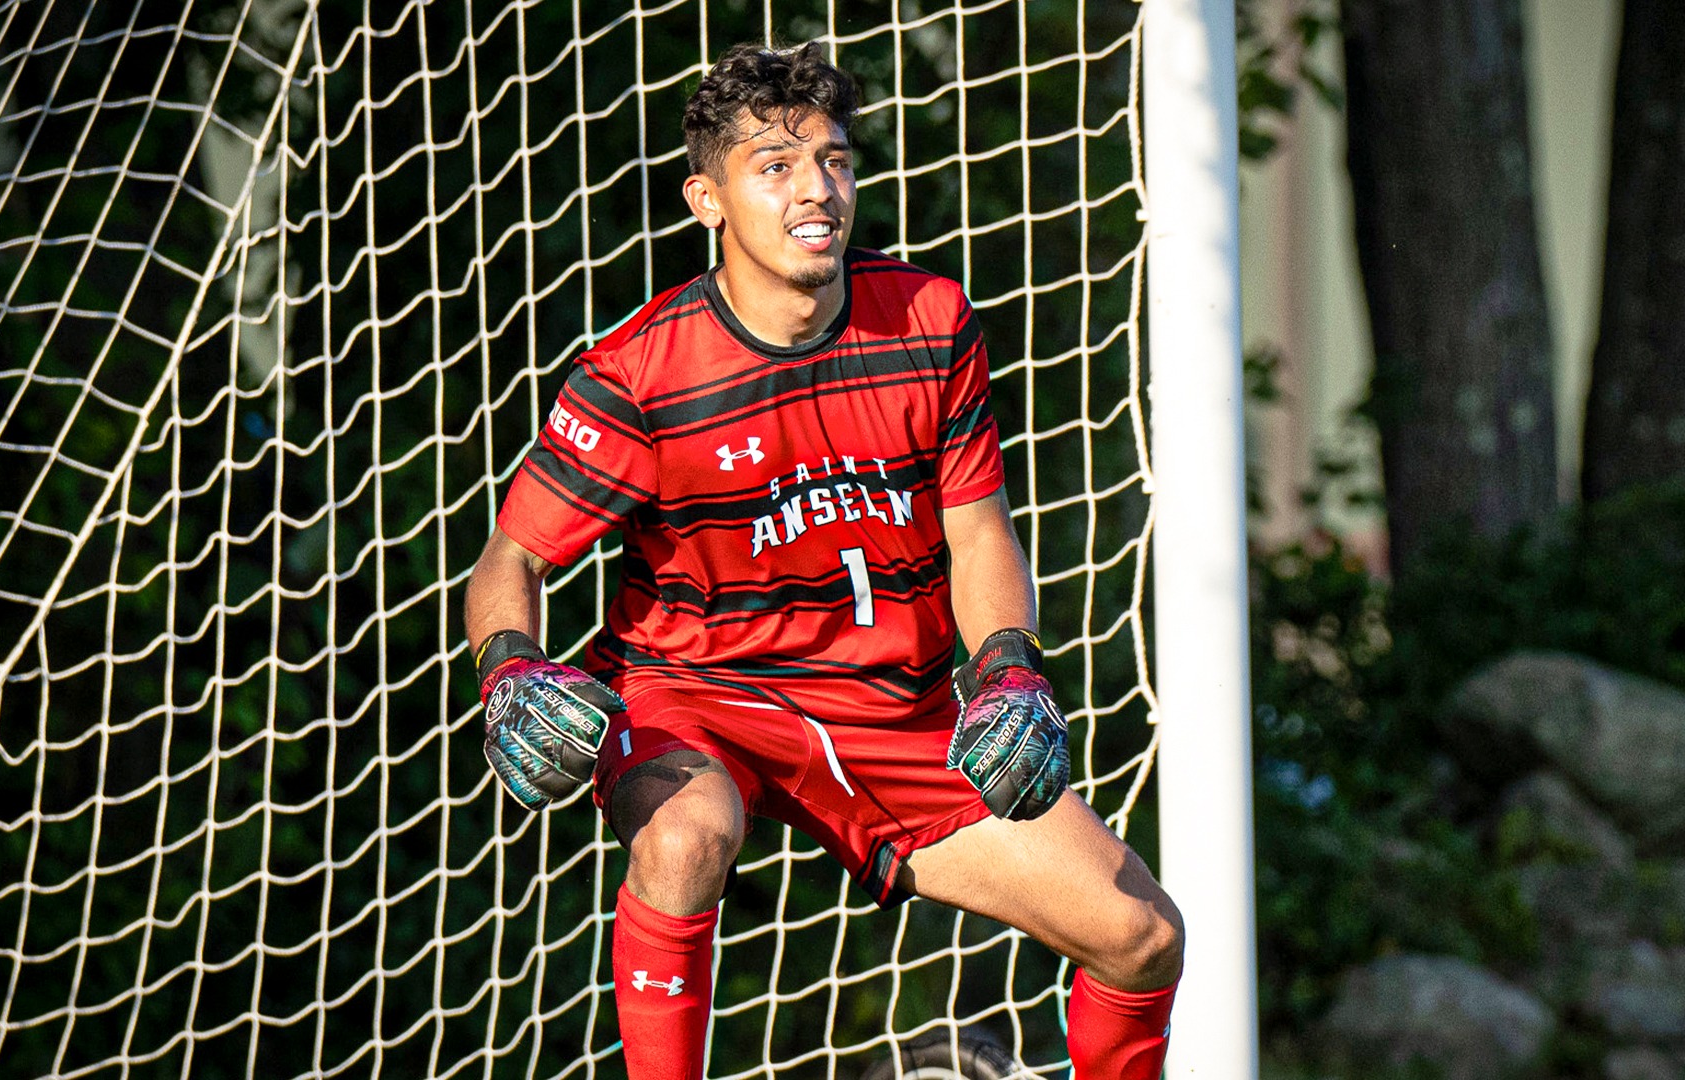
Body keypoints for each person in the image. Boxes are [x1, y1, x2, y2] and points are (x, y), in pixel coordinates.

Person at [463, 41, 1183, 1080]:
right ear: (707, 200)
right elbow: (508, 560)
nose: (818, 190)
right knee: (683, 840)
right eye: (776, 167)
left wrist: (1011, 667)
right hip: (695, 691)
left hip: (893, 710)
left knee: (1141, 937)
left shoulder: (928, 323)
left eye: (835, 162)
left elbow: (979, 530)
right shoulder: (640, 373)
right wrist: (510, 671)